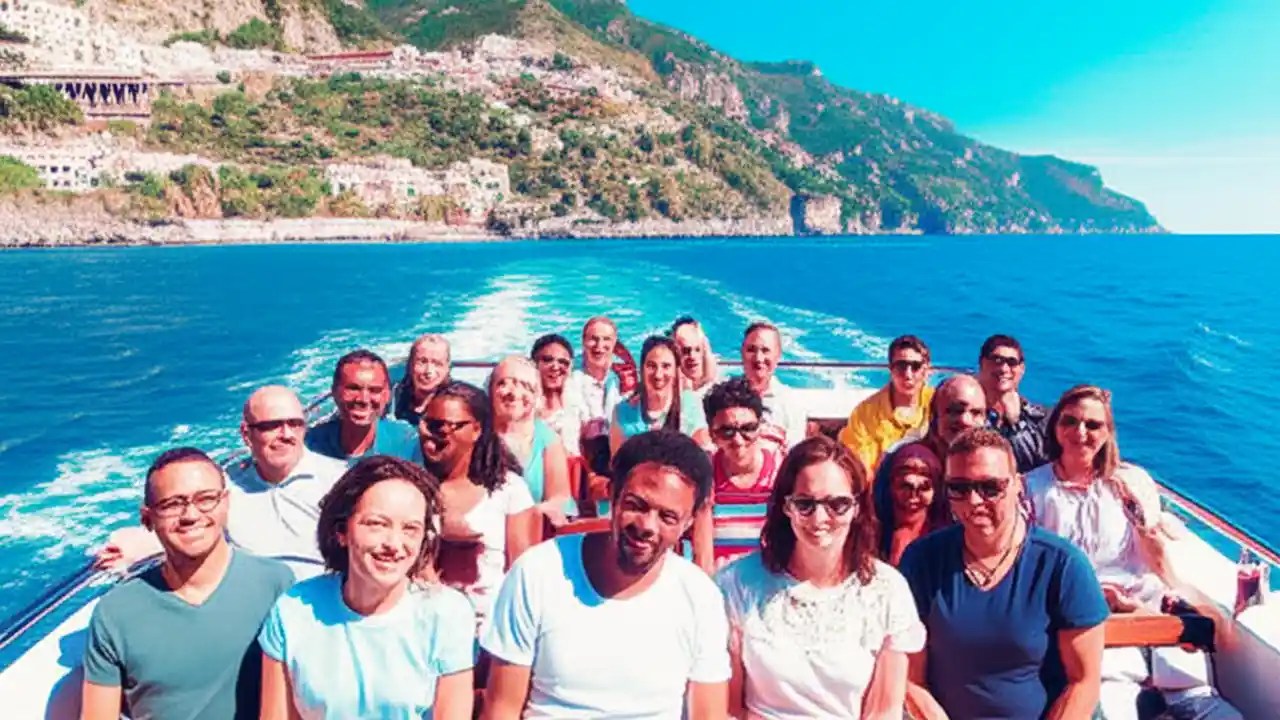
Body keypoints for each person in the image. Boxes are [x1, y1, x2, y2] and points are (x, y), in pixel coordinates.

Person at [480, 430, 730, 719]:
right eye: (636, 505)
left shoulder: (699, 597)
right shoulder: (537, 572)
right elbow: (502, 708)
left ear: (688, 522)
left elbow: (708, 715)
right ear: (611, 494)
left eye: (668, 517)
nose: (647, 525)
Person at [1026, 385, 1238, 720]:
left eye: (1093, 425)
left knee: (1205, 705)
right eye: (1070, 421)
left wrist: (1182, 600)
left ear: (1108, 433)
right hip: (1085, 618)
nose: (1080, 433)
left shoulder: (1131, 482)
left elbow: (1154, 558)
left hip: (1146, 607)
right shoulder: (1031, 490)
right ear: (1055, 426)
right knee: (1113, 702)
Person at [899, 428, 1109, 720]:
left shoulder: (1063, 566)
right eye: (959, 488)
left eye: (990, 487)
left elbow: (1083, 682)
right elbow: (910, 678)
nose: (973, 501)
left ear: (1017, 486)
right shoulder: (921, 562)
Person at [715, 435, 925, 719]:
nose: (819, 519)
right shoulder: (736, 584)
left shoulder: (887, 590)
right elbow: (727, 708)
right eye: (805, 504)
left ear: (857, 507)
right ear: (786, 507)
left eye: (837, 504)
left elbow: (883, 710)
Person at [81, 448, 294, 720]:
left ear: (226, 503)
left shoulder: (276, 585)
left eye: (206, 499)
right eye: (172, 504)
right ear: (148, 519)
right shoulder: (115, 613)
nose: (191, 515)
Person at [259, 456, 474, 720]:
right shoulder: (293, 610)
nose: (394, 543)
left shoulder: (447, 614)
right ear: (342, 532)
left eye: (410, 529)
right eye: (377, 524)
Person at [95, 386, 346, 578]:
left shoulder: (339, 481)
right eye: (272, 426)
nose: (287, 435)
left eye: (295, 424)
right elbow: (192, 520)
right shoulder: (225, 488)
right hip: (249, 605)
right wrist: (133, 549)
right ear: (246, 434)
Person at [415, 381, 538, 630]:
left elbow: (521, 571)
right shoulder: (412, 489)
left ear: (476, 430)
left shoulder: (508, 490)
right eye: (428, 424)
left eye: (444, 426)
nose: (431, 434)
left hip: (489, 623)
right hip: (424, 619)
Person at [691, 377, 781, 573]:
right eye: (727, 431)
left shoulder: (780, 473)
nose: (738, 440)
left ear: (760, 427)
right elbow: (702, 560)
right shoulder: (705, 477)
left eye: (748, 429)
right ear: (713, 435)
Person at [489, 355, 573, 521]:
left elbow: (560, 499)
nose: (514, 393)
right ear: (490, 392)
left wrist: (523, 516)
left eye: (526, 386)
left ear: (537, 396)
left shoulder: (549, 440)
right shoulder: (474, 435)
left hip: (530, 531)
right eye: (503, 383)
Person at [872, 373, 987, 493]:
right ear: (933, 416)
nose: (965, 421)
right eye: (955, 411)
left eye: (976, 413)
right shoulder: (900, 461)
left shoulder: (994, 464)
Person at [838, 335, 935, 475]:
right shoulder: (865, 413)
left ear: (926, 371)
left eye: (915, 366)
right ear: (890, 369)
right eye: (901, 366)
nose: (908, 374)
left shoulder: (938, 404)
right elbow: (859, 469)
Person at [307, 349, 418, 463]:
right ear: (335, 392)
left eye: (374, 390)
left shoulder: (407, 442)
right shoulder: (310, 444)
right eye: (353, 388)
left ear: (387, 395)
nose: (364, 399)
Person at [610, 335, 711, 454]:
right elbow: (617, 464)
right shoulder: (623, 411)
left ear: (676, 371)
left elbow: (701, 461)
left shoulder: (691, 406)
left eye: (666, 366)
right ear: (642, 369)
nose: (658, 375)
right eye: (651, 366)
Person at [977, 334, 1050, 472]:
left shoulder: (1041, 420)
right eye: (996, 360)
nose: (1004, 369)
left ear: (1022, 369)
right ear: (982, 363)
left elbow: (1040, 469)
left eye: (1011, 362)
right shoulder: (965, 412)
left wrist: (1016, 424)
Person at [875, 442, 949, 566]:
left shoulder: (948, 542)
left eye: (924, 487)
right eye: (904, 486)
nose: (913, 496)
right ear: (888, 486)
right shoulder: (866, 536)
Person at [571, 316, 625, 477]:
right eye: (593, 339)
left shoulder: (620, 379)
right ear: (583, 342)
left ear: (614, 343)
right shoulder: (571, 379)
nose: (599, 346)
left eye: (606, 339)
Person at [739, 322, 807, 450]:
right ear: (742, 353)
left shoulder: (791, 403)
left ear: (778, 355)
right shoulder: (725, 396)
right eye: (751, 350)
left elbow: (795, 453)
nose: (758, 358)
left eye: (765, 350)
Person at [530, 333, 582, 458]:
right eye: (548, 360)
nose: (555, 367)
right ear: (534, 364)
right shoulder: (524, 406)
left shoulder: (579, 405)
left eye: (563, 362)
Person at [394, 333, 453, 426]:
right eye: (422, 362)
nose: (428, 371)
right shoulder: (394, 394)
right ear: (410, 364)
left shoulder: (454, 405)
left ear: (447, 368)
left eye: (437, 364)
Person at [671, 316, 719, 399]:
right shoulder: (673, 382)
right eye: (686, 351)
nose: (692, 356)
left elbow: (709, 378)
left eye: (697, 349)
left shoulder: (714, 375)